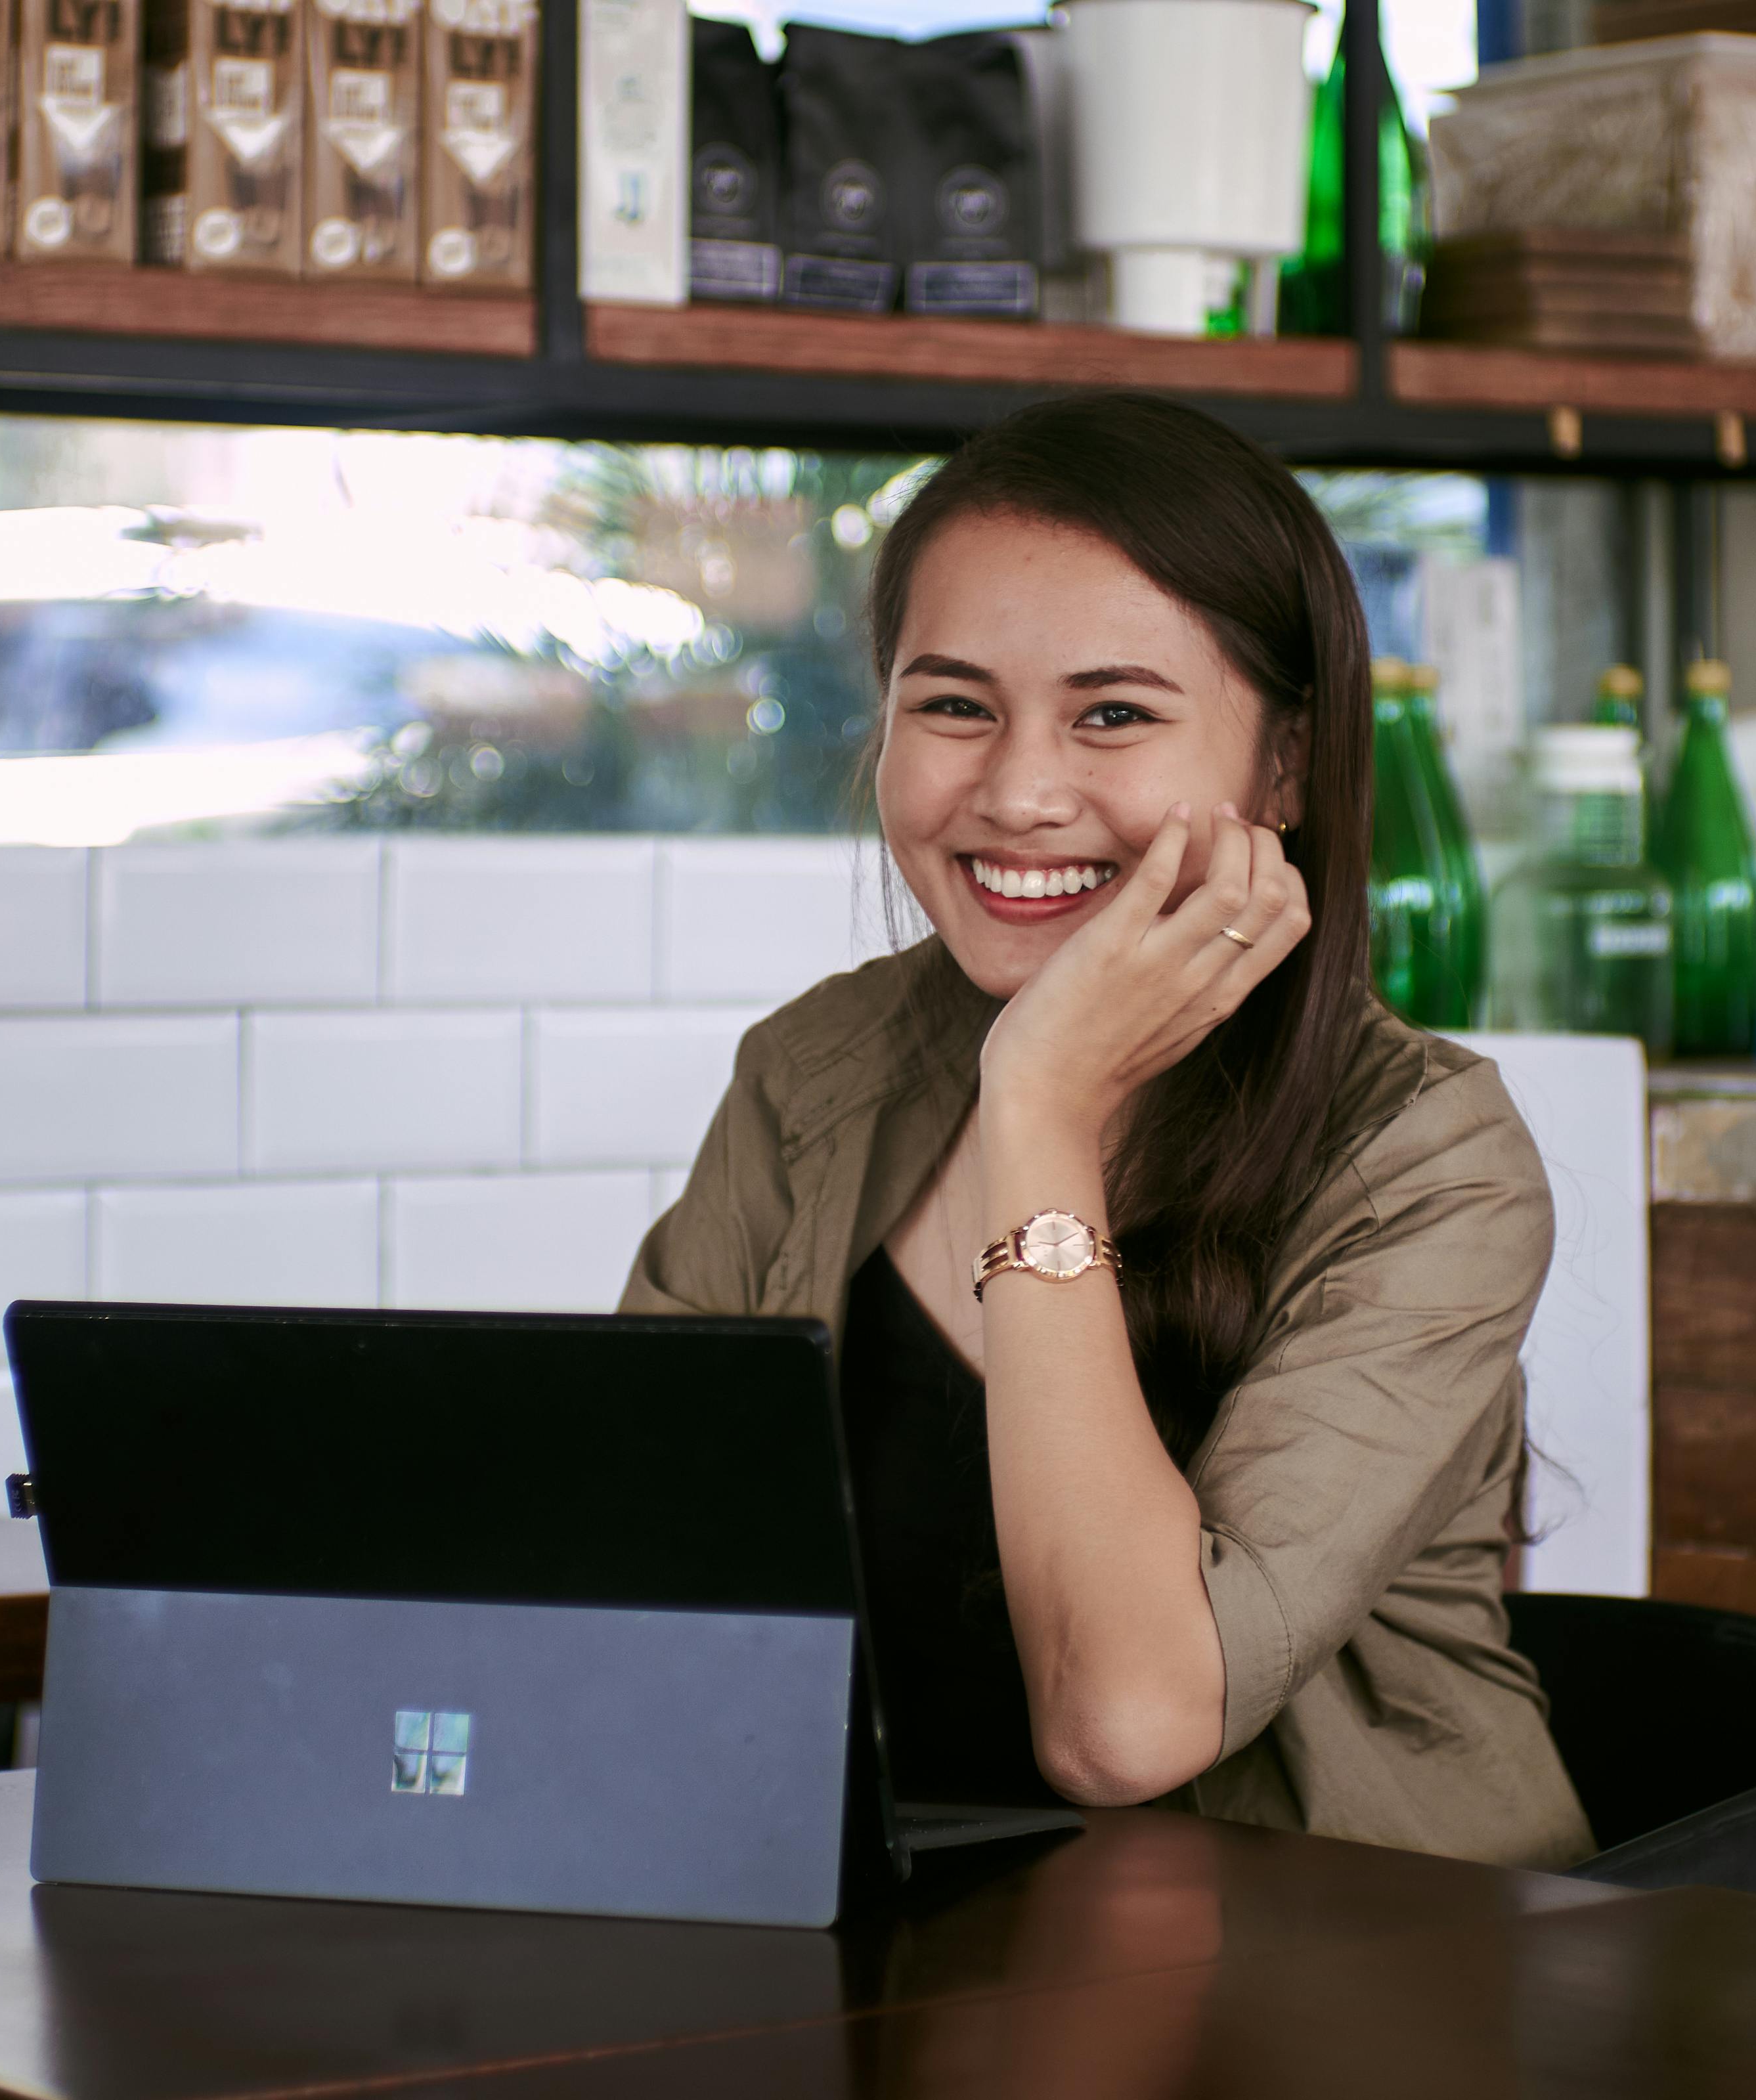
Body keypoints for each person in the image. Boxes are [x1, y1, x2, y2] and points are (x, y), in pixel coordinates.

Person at [621, 393, 1592, 1870]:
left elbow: (1124, 1728)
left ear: (1281, 766)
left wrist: (1041, 1104)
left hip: (1345, 1987)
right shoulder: (810, 1078)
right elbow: (624, 1584)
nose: (1014, 792)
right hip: (881, 1963)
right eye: (951, 705)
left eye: (1114, 714)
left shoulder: (1428, 1160)